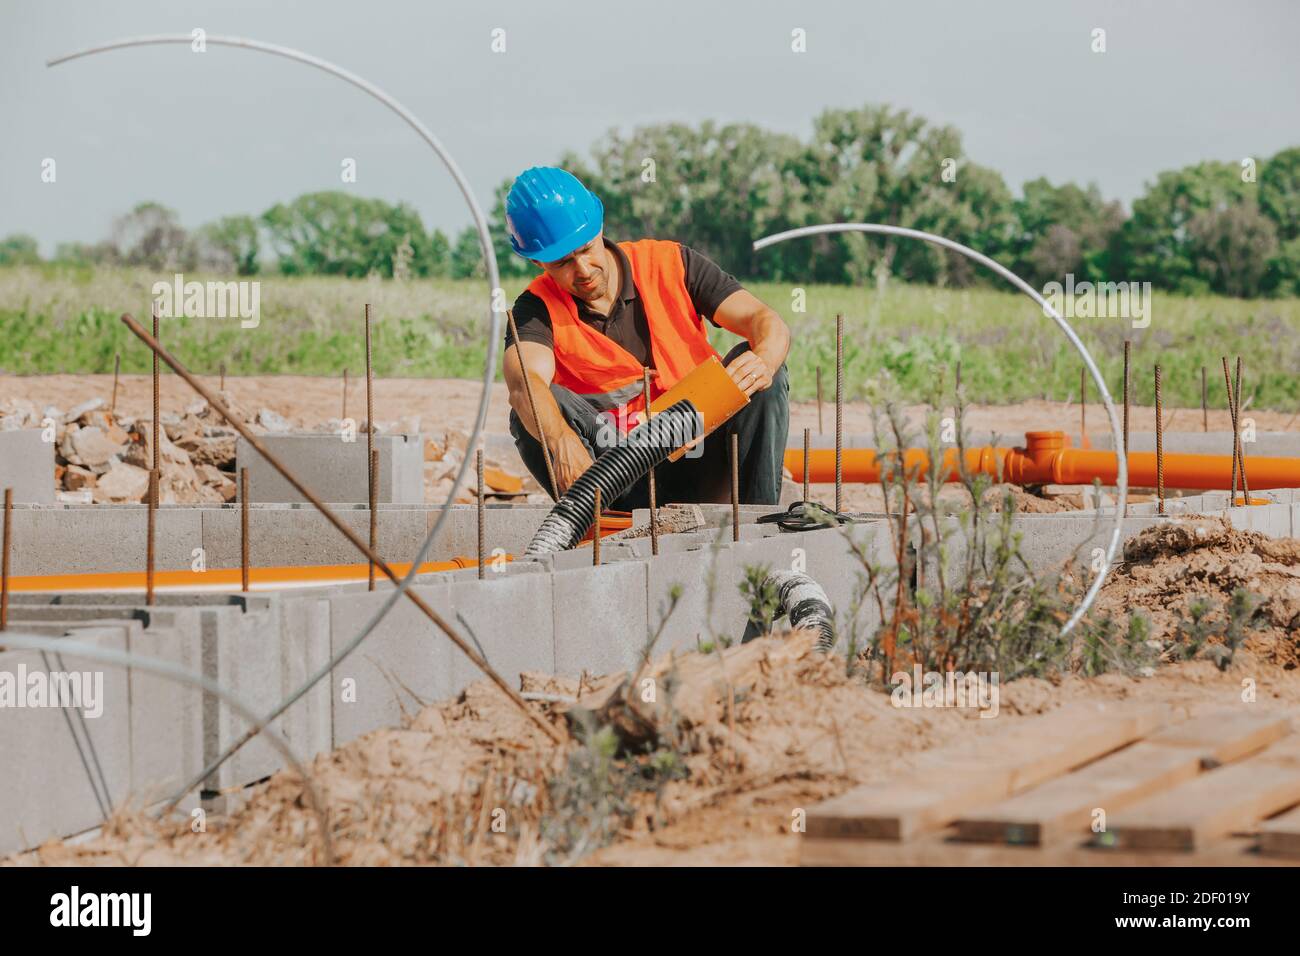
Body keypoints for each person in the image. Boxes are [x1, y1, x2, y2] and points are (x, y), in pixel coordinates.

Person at [503, 166, 790, 509]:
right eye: (562, 262)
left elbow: (764, 320)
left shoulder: (671, 264)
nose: (582, 270)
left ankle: (757, 530)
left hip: (701, 453)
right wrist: (562, 439)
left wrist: (765, 362)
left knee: (761, 370)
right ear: (538, 261)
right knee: (532, 409)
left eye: (585, 249)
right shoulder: (535, 309)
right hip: (620, 480)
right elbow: (525, 382)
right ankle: (598, 529)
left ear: (599, 226)